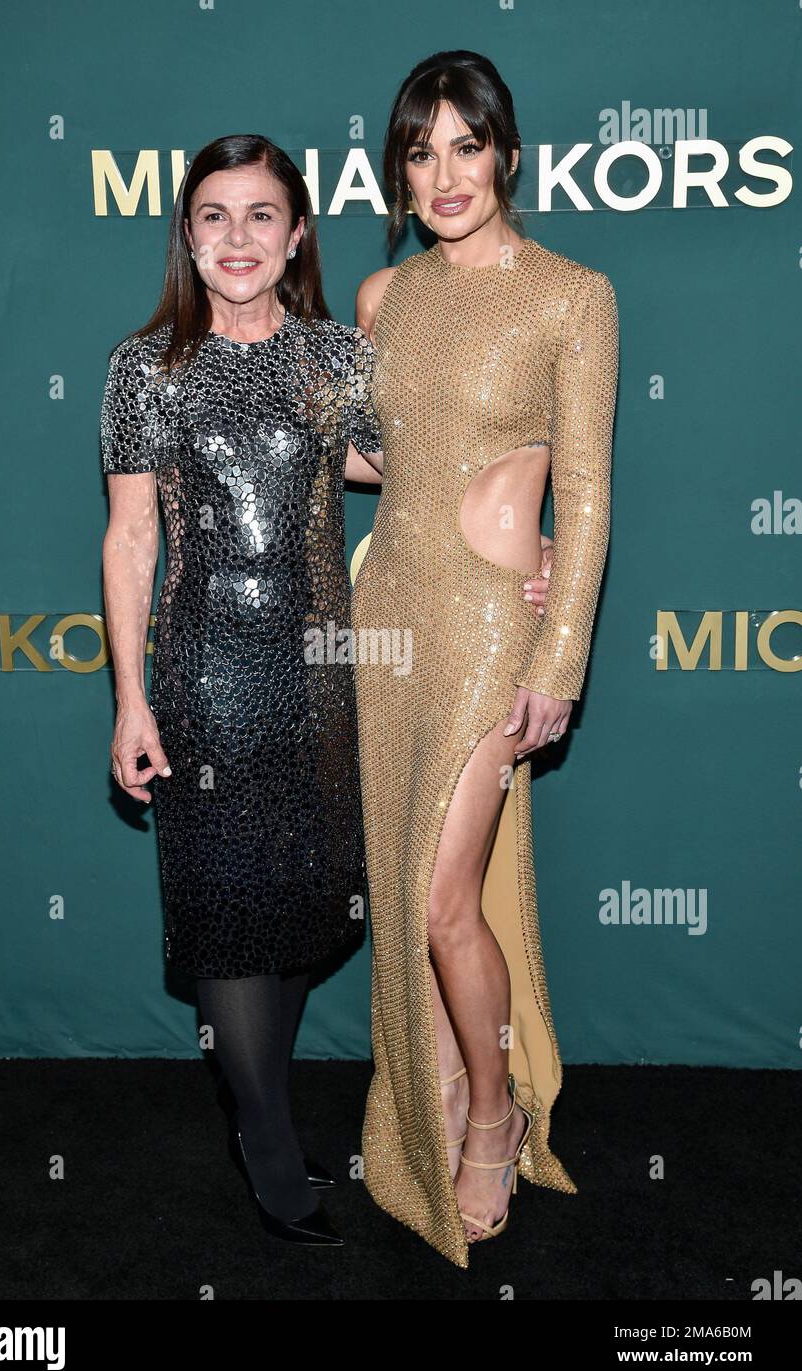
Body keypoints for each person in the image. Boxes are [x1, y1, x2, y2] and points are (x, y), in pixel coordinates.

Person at [352, 50, 619, 1266]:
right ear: (399, 172)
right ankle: (442, 1089)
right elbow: (378, 459)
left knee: (438, 898)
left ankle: (494, 1115)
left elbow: (591, 492)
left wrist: (558, 662)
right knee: (407, 893)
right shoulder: (381, 298)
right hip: (388, 620)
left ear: (509, 153)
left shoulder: (574, 294)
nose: (446, 171)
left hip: (488, 630)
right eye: (422, 149)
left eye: (468, 144)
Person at [99, 134, 386, 1246]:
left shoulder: (334, 359)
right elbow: (129, 541)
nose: (237, 238)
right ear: (187, 234)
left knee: (306, 909)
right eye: (213, 215)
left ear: (298, 232)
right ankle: (268, 1146)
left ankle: (262, 1113)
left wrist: (532, 531)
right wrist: (132, 698)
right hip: (208, 673)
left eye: (261, 214)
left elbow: (409, 474)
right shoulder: (147, 365)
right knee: (227, 918)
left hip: (320, 680)